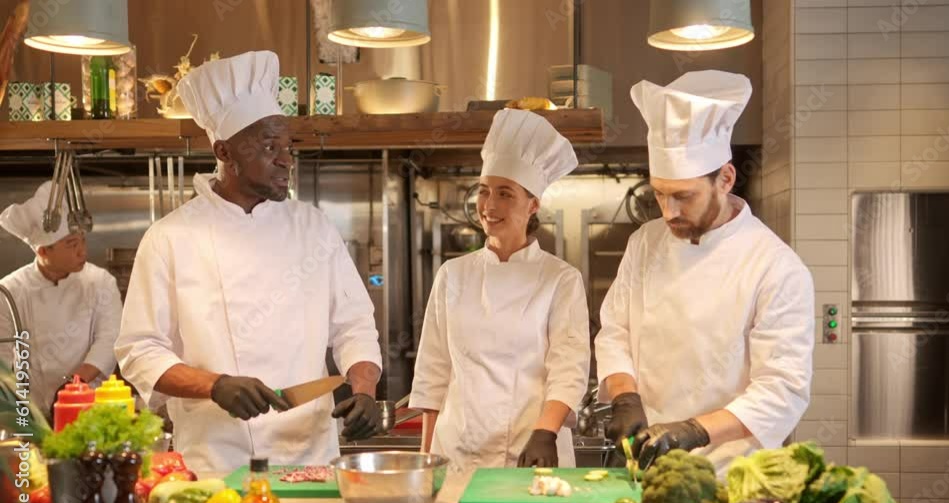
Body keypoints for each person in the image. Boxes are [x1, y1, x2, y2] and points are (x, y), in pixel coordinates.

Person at [115, 51, 383, 473]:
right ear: (224, 151)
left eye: (288, 146)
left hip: (310, 458)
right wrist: (214, 385)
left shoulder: (314, 229)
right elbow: (139, 350)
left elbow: (353, 325)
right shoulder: (169, 237)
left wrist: (364, 388)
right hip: (215, 463)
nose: (285, 159)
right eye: (268, 145)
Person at [596, 70, 815, 473]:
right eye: (658, 194)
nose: (668, 212)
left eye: (683, 197)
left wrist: (694, 430)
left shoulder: (775, 267)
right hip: (647, 465)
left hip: (731, 472)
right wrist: (626, 396)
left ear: (725, 179)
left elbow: (782, 390)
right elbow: (615, 329)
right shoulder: (646, 242)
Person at [410, 109, 590, 469]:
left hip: (531, 454)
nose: (490, 206)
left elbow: (568, 371)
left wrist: (546, 433)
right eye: (484, 191)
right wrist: (424, 461)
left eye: (506, 194)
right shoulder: (453, 274)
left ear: (533, 204)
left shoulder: (560, 279)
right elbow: (433, 372)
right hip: (456, 455)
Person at [0, 180, 121, 415]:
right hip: (29, 410)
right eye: (72, 244)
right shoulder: (9, 289)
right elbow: (3, 358)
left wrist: (73, 385)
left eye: (83, 241)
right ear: (43, 251)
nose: (82, 251)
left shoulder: (100, 282)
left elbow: (109, 340)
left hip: (87, 406)